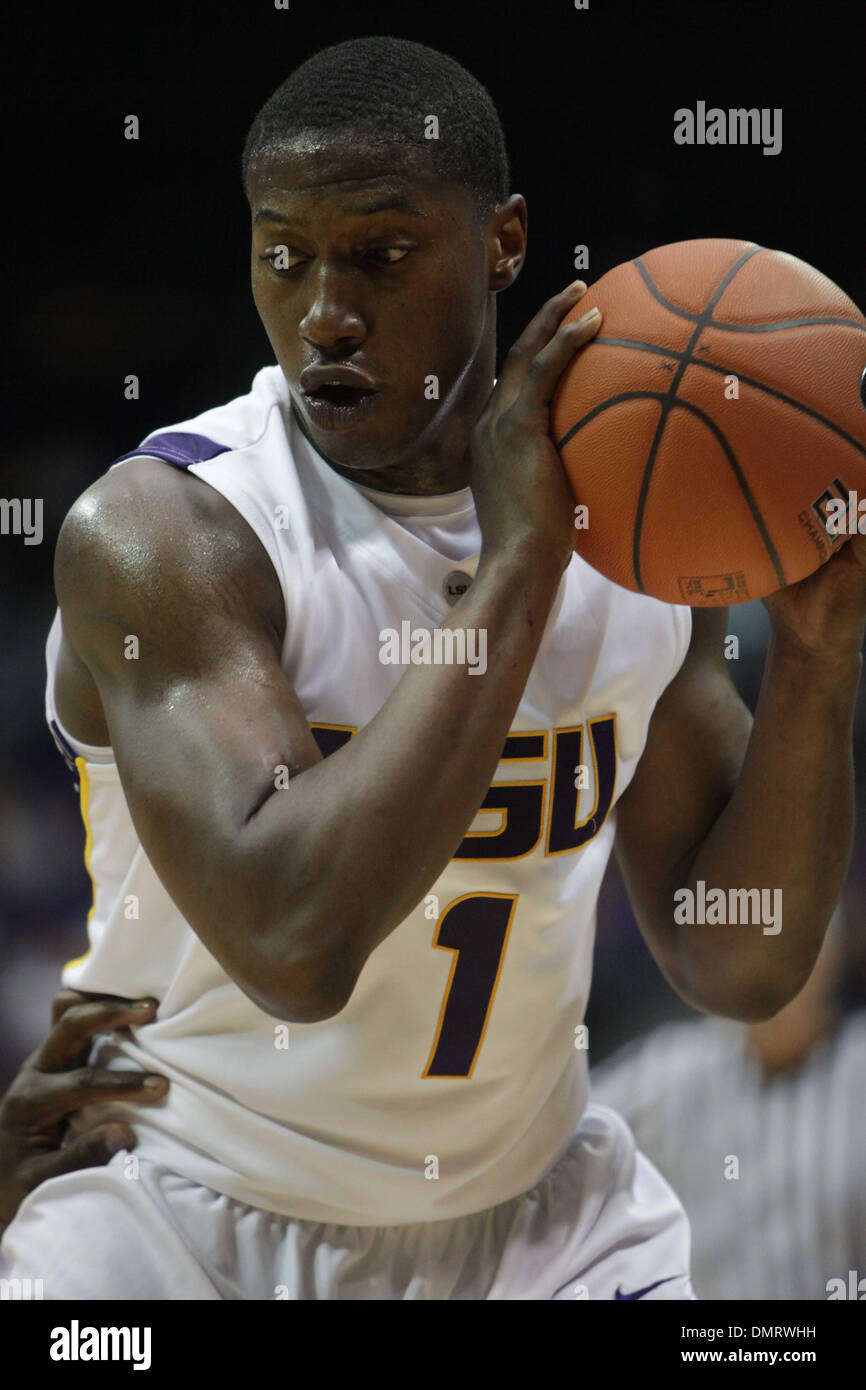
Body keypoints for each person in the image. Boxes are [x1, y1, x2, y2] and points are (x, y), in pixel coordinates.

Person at [2, 35, 865, 1300]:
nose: (324, 311)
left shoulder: (633, 535)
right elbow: (297, 942)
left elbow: (734, 958)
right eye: (281, 254)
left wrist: (815, 659)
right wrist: (516, 567)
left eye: (381, 253)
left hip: (540, 1230)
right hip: (181, 1221)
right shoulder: (167, 536)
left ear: (502, 245)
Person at [591, 907, 866, 1300]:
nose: (775, 973)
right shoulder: (674, 1069)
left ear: (831, 954)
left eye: (797, 949)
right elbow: (562, 1140)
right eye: (759, 951)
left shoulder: (858, 1071)